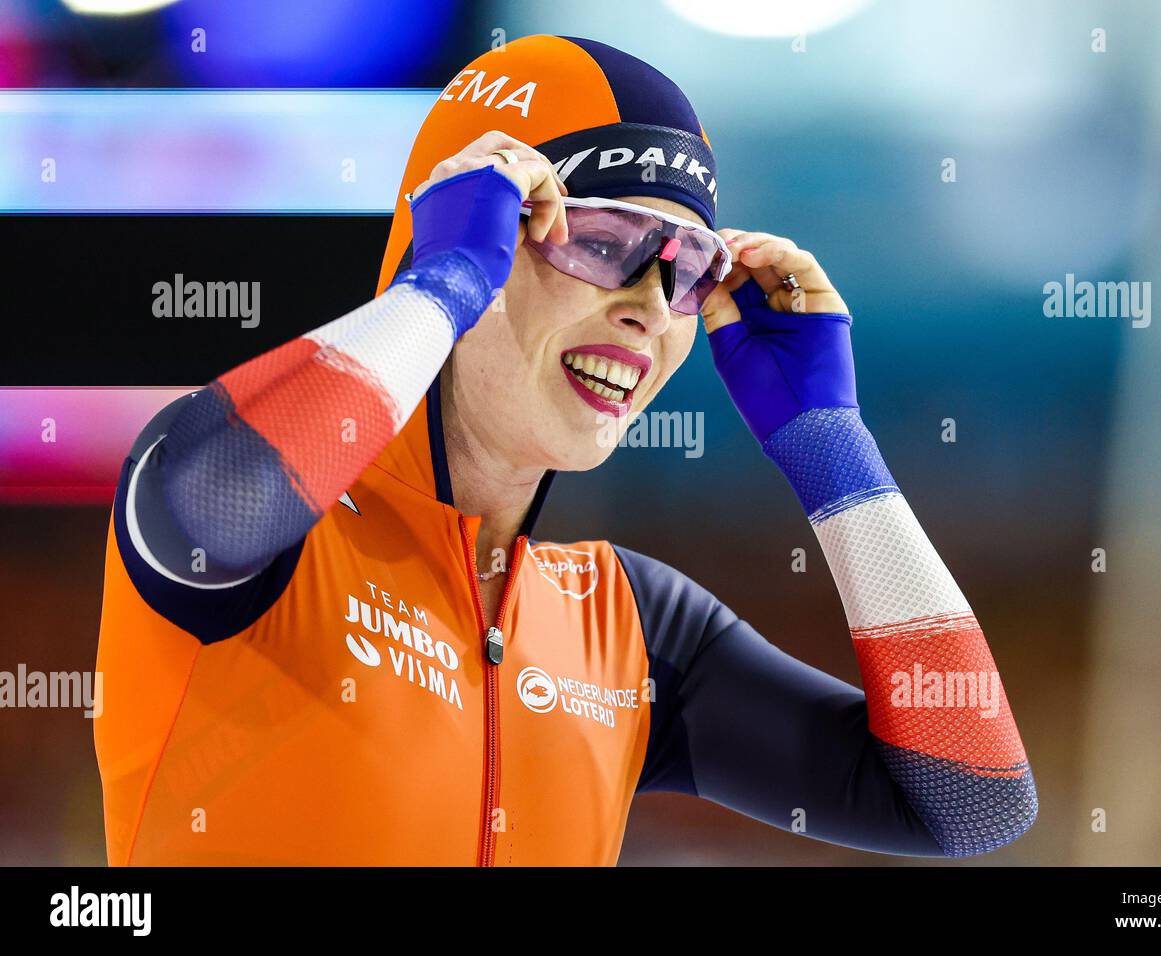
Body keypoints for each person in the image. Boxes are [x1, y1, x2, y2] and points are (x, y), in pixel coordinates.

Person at [94, 34, 1037, 866]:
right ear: (464, 242)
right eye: (597, 240)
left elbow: (969, 798)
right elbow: (216, 502)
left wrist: (832, 446)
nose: (643, 305)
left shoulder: (632, 631)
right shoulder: (263, 527)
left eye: (685, 268)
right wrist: (442, 282)